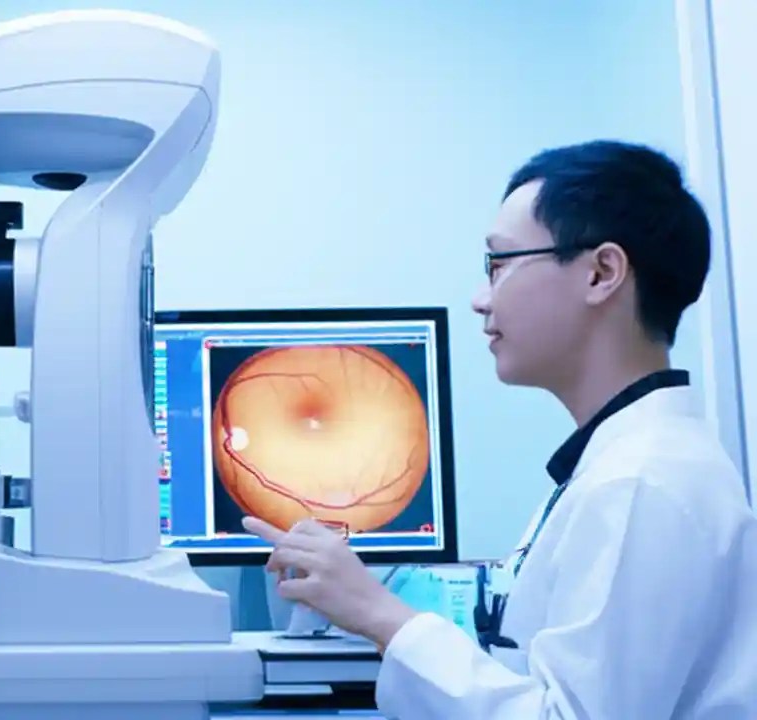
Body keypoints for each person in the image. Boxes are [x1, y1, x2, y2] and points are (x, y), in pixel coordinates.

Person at [244, 140, 757, 718]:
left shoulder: (643, 484)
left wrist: (378, 612)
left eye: (499, 263)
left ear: (601, 273)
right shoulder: (620, 469)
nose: (480, 300)